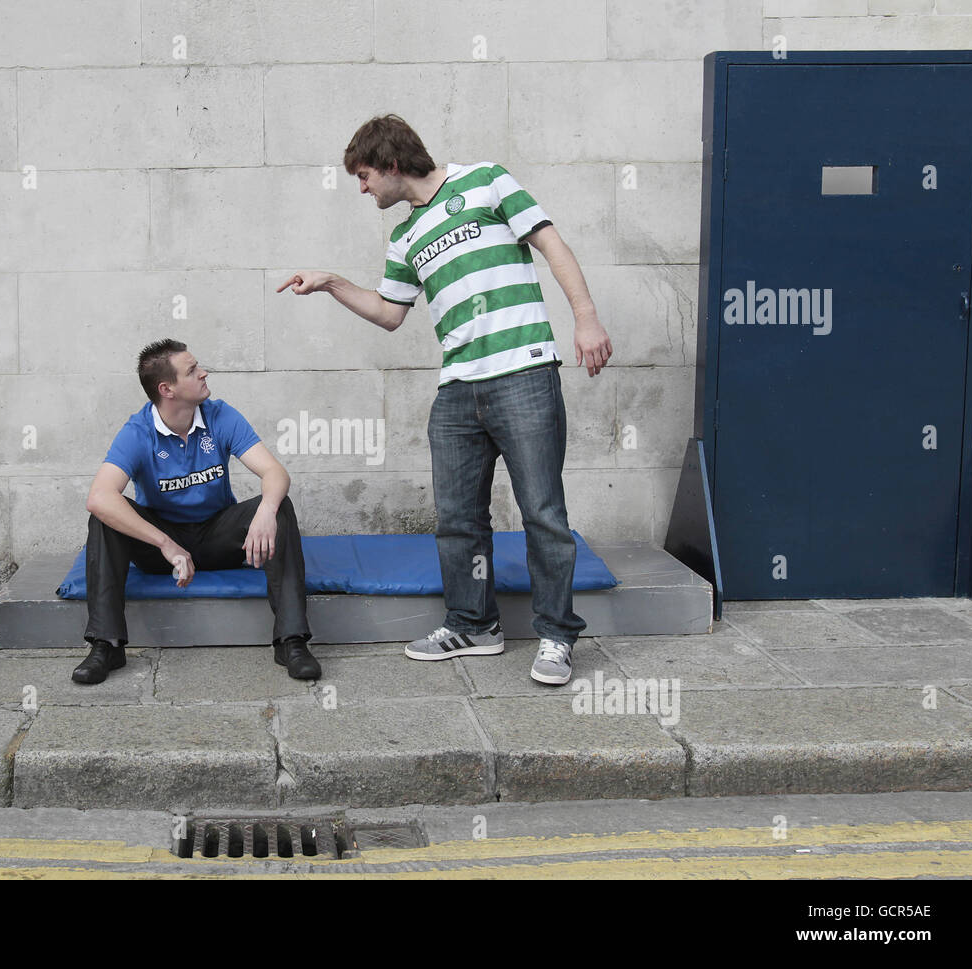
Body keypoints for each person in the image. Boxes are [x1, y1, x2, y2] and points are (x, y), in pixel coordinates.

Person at [278, 114, 612, 686]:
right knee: (458, 520)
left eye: (363, 177)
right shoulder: (404, 237)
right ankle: (474, 625)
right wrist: (332, 282)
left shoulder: (485, 180)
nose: (362, 190)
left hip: (524, 374)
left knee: (543, 514)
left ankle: (556, 635)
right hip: (457, 391)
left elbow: (551, 244)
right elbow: (388, 313)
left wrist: (585, 318)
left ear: (388, 164)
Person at [74, 339, 319, 683]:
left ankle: (291, 641)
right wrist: (165, 543)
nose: (204, 373)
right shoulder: (138, 431)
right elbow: (99, 497)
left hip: (217, 537)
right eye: (192, 371)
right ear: (167, 389)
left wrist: (265, 509)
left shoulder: (220, 415)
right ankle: (107, 645)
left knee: (279, 507)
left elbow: (275, 473)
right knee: (104, 517)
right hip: (164, 547)